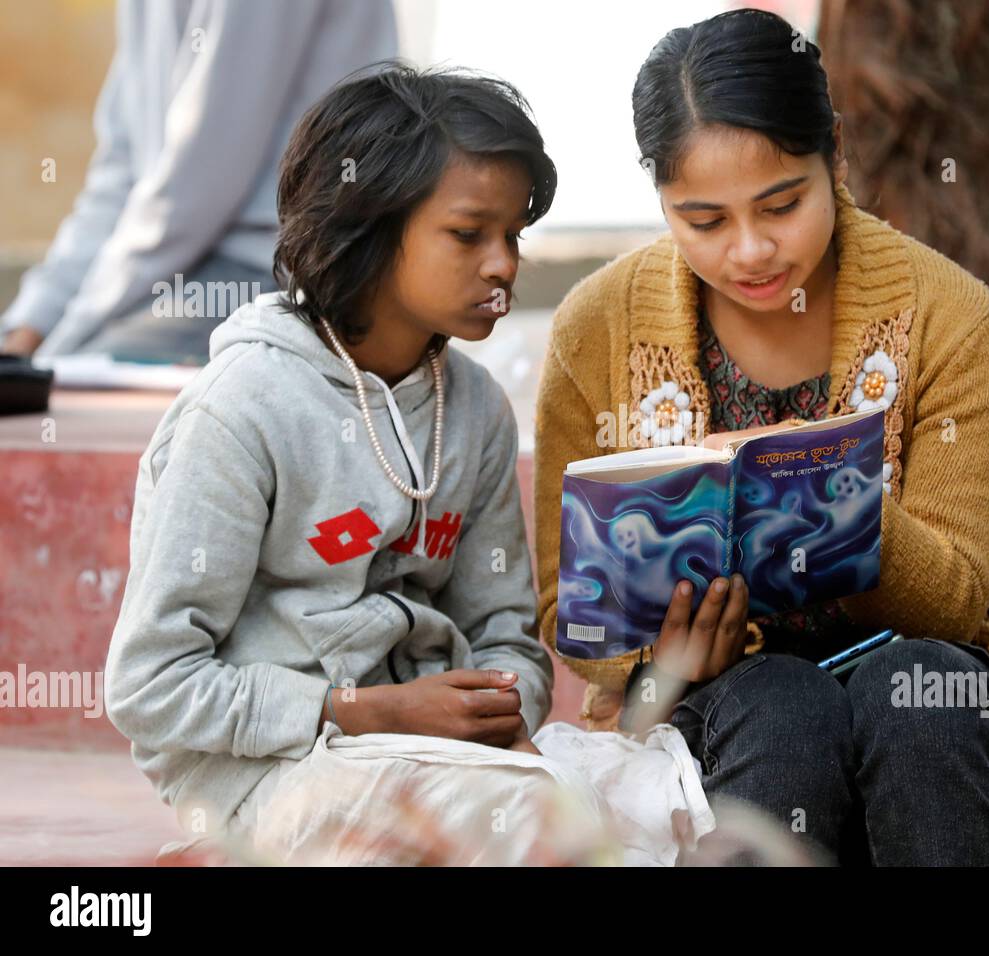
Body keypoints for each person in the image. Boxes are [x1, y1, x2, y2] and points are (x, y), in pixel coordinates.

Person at [533, 8, 989, 865]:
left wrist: (836, 493)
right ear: (661, 201)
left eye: (782, 204)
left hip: (922, 690)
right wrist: (670, 655)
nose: (750, 251)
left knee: (918, 696)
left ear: (837, 162)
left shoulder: (950, 318)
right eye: (703, 220)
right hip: (711, 712)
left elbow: (956, 601)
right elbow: (571, 611)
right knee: (782, 702)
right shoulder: (595, 329)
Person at [104, 63, 639, 866]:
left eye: (513, 236)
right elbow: (152, 685)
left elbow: (505, 633)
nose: (502, 266)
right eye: (468, 234)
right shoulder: (242, 407)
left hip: (438, 753)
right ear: (368, 227)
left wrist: (493, 709)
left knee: (650, 807)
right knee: (528, 827)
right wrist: (369, 712)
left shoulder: (476, 408)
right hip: (263, 772)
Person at [0, 0, 397, 364]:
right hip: (180, 268)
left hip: (280, 272)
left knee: (75, 393)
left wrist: (61, 347)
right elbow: (120, 174)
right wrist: (33, 325)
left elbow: (198, 189)